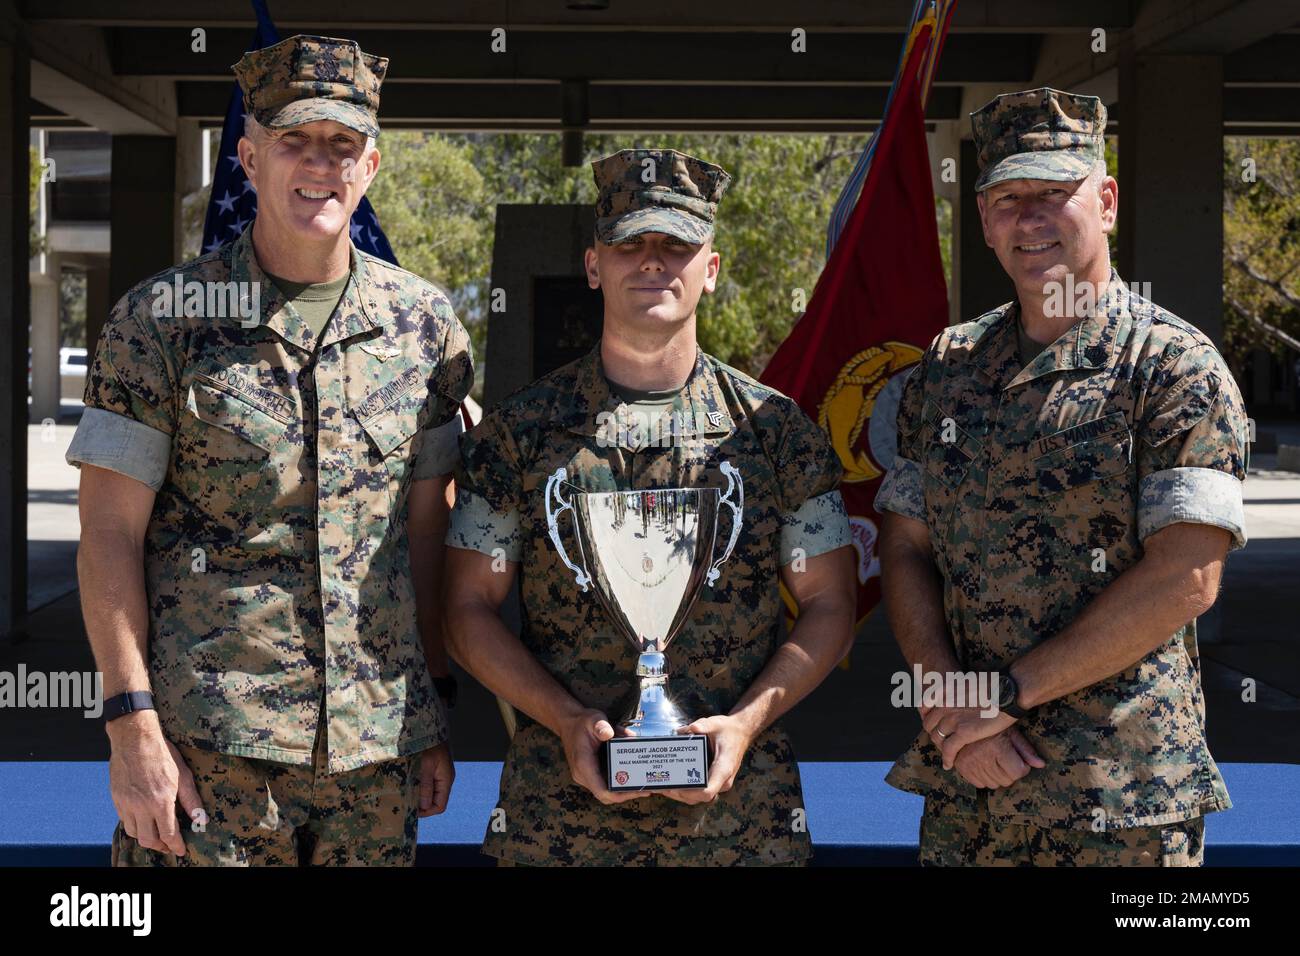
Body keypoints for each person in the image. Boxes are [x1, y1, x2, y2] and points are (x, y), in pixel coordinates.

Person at [65, 34, 472, 866]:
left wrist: (434, 706)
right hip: (209, 755)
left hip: (374, 761)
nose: (318, 164)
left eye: (341, 144)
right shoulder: (162, 321)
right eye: (294, 141)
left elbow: (427, 537)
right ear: (249, 159)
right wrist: (130, 722)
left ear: (371, 167)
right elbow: (109, 535)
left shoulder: (425, 327)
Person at [442, 148, 857, 866]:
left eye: (677, 244)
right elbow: (466, 609)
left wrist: (746, 725)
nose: (653, 262)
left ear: (712, 268)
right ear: (594, 265)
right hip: (556, 823)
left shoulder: (775, 432)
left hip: (740, 826)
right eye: (629, 242)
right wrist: (567, 720)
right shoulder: (521, 433)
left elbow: (830, 604)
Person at [875, 87, 1249, 866]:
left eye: (1054, 194)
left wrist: (1004, 697)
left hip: (1119, 800)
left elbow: (1188, 576)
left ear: (1106, 201)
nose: (1031, 218)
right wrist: (950, 699)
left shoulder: (1173, 368)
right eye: (1009, 198)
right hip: (970, 790)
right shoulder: (947, 369)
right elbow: (904, 545)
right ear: (983, 221)